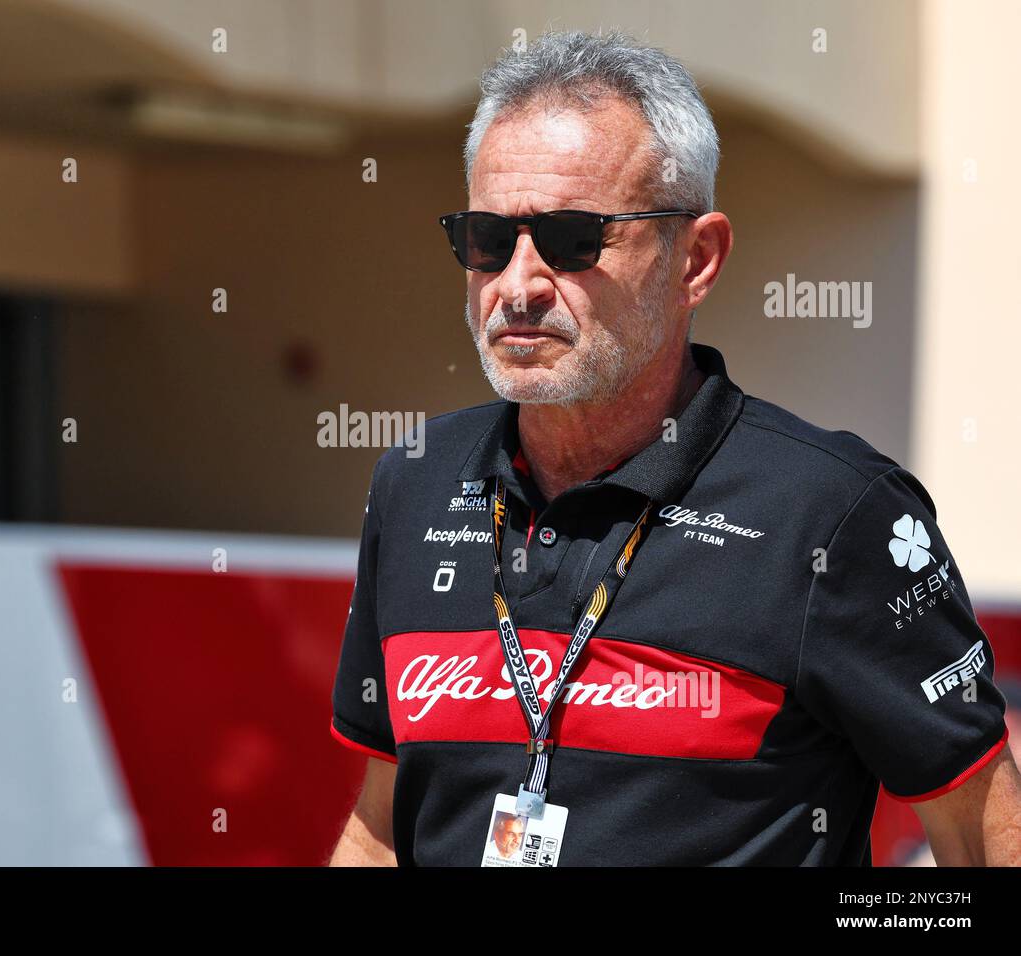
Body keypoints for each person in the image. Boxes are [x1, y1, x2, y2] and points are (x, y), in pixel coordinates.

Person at [327, 30, 1020, 867]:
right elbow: (377, 828)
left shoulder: (835, 515)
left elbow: (983, 845)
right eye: (486, 238)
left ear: (697, 259)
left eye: (572, 238)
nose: (516, 284)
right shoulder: (415, 479)